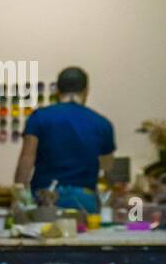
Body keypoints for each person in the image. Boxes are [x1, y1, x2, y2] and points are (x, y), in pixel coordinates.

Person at [13, 66, 114, 213]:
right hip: (85, 201)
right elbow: (106, 168)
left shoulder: (39, 118)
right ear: (86, 91)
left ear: (57, 90)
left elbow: (26, 159)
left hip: (46, 198)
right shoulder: (102, 124)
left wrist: (18, 196)